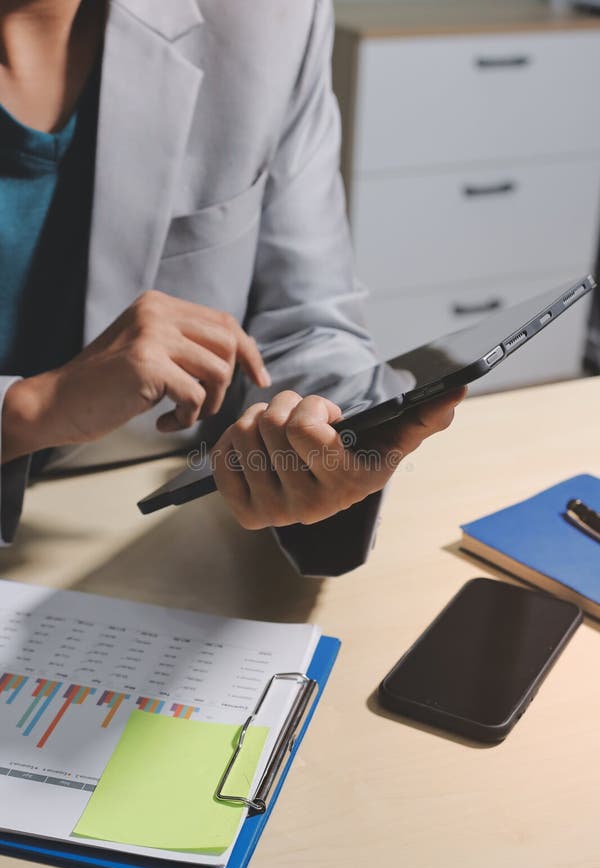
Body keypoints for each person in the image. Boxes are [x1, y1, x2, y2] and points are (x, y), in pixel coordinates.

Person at [0, 0, 464, 575]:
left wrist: (329, 438)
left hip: (148, 536)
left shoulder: (269, 20)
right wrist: (27, 410)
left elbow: (307, 321)